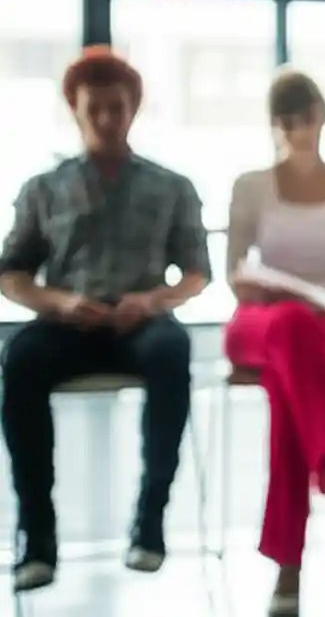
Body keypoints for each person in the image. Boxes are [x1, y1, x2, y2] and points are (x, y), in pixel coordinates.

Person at [0, 46, 211, 591]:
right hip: (69, 322)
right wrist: (59, 303)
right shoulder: (43, 189)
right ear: (75, 109)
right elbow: (12, 273)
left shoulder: (172, 186)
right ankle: (37, 540)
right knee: (18, 359)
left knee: (172, 352)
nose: (106, 119)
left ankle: (149, 523)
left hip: (141, 321)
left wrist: (154, 301)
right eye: (95, 109)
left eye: (117, 108)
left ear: (133, 109)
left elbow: (196, 272)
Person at [223, 69, 325, 615]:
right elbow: (236, 272)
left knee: (290, 382)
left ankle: (287, 571)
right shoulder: (250, 185)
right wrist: (274, 292)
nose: (298, 131)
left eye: (306, 118)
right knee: (289, 331)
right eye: (287, 122)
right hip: (261, 323)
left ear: (322, 116)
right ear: (274, 125)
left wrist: (316, 292)